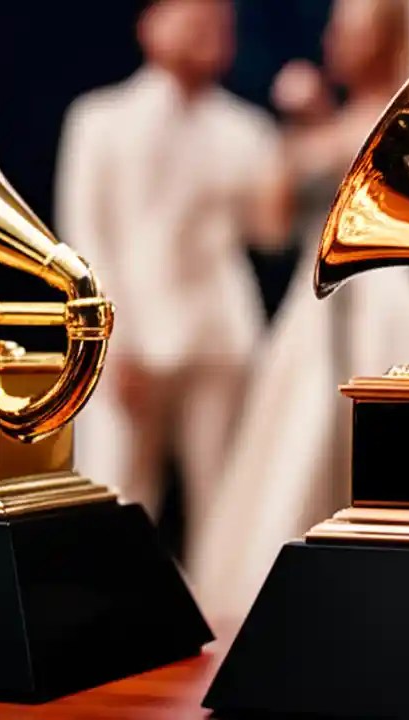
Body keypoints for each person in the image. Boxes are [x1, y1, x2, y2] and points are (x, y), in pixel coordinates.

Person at [192, 0, 409, 624]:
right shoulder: (323, 124)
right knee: (296, 439)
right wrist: (300, 129)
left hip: (381, 299)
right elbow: (271, 225)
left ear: (387, 41)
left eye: (349, 26)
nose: (333, 38)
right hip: (316, 304)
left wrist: (317, 130)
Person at [55, 0, 282, 571]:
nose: (210, 30)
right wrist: (112, 342)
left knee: (226, 505)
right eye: (193, 15)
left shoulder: (246, 128)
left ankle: (224, 631)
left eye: (222, 22)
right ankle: (111, 625)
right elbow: (84, 240)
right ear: (150, 23)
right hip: (134, 338)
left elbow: (269, 233)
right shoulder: (99, 119)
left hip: (221, 337)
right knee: (118, 493)